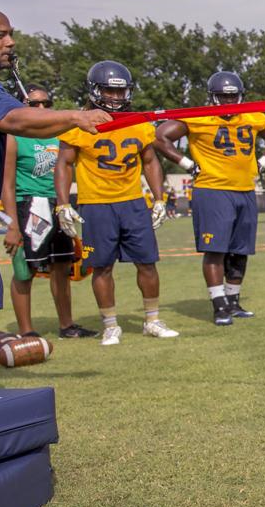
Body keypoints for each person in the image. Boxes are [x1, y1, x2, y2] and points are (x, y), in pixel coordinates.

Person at [0, 6, 110, 389]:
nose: (11, 43)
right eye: (0, 35)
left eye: (10, 34)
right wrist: (75, 117)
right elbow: (16, 121)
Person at [55, 60, 179, 346]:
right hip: (96, 204)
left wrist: (159, 199)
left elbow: (150, 162)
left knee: (147, 263)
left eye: (120, 91)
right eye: (109, 91)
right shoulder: (79, 124)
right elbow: (63, 164)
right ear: (96, 91)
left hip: (133, 202)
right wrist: (63, 203)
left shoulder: (139, 123)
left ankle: (152, 320)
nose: (115, 97)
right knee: (102, 267)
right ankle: (110, 325)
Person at [155, 71, 265, 325]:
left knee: (240, 250)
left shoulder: (252, 116)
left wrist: (264, 161)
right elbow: (160, 136)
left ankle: (233, 302)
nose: (227, 101)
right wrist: (187, 163)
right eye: (222, 97)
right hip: (212, 190)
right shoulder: (197, 118)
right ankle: (219, 305)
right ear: (212, 97)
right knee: (215, 250)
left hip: (245, 189)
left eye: (232, 96)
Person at [0, 85, 96, 339]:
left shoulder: (61, 133)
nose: (41, 108)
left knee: (62, 266)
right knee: (25, 271)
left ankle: (67, 325)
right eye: (34, 104)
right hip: (27, 205)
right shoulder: (14, 136)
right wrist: (11, 224)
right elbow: (6, 184)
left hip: (58, 204)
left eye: (46, 103)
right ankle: (27, 331)